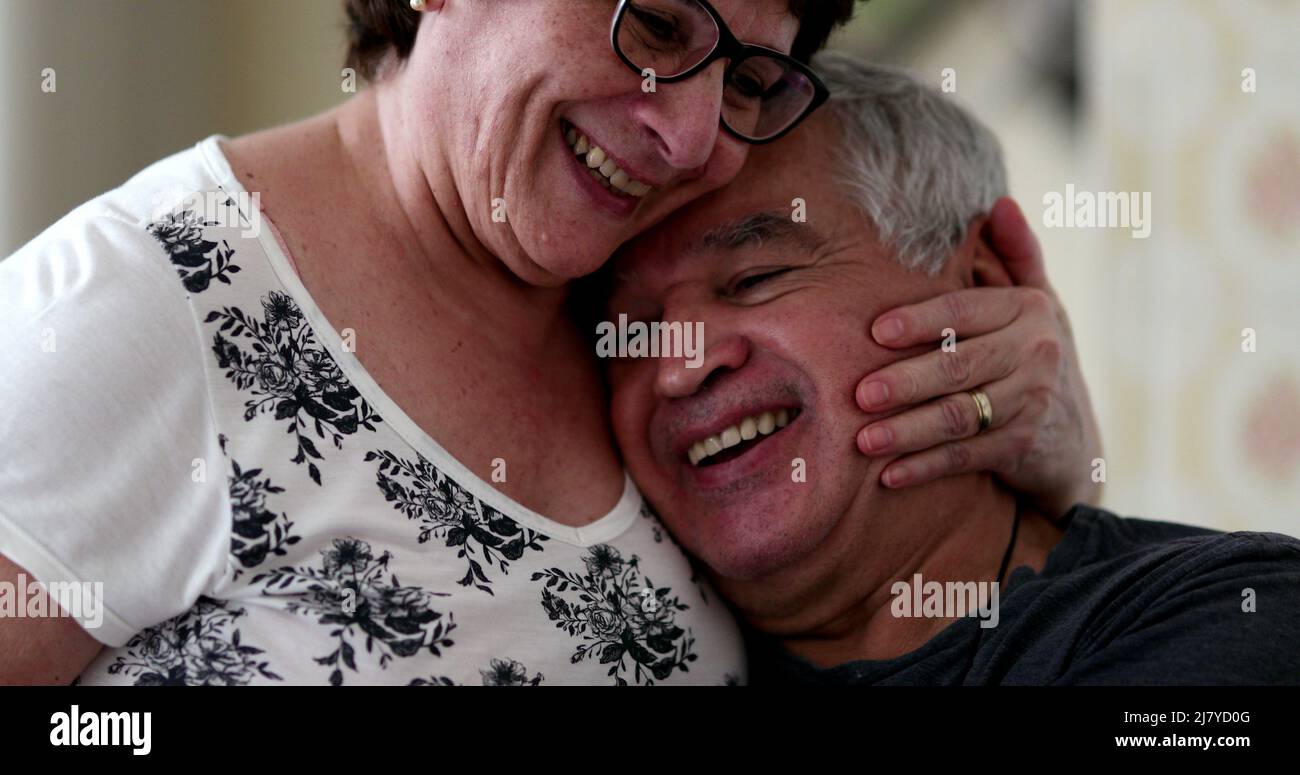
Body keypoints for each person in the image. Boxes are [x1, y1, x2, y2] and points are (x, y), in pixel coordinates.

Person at [0, 1, 1092, 685]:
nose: (694, 135)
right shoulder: (146, 302)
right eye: (656, 27)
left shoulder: (634, 320)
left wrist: (1056, 468)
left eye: (748, 79)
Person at [603, 53, 1300, 685]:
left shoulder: (1235, 614)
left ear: (980, 280)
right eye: (634, 330)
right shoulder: (605, 650)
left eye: (756, 277)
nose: (676, 367)